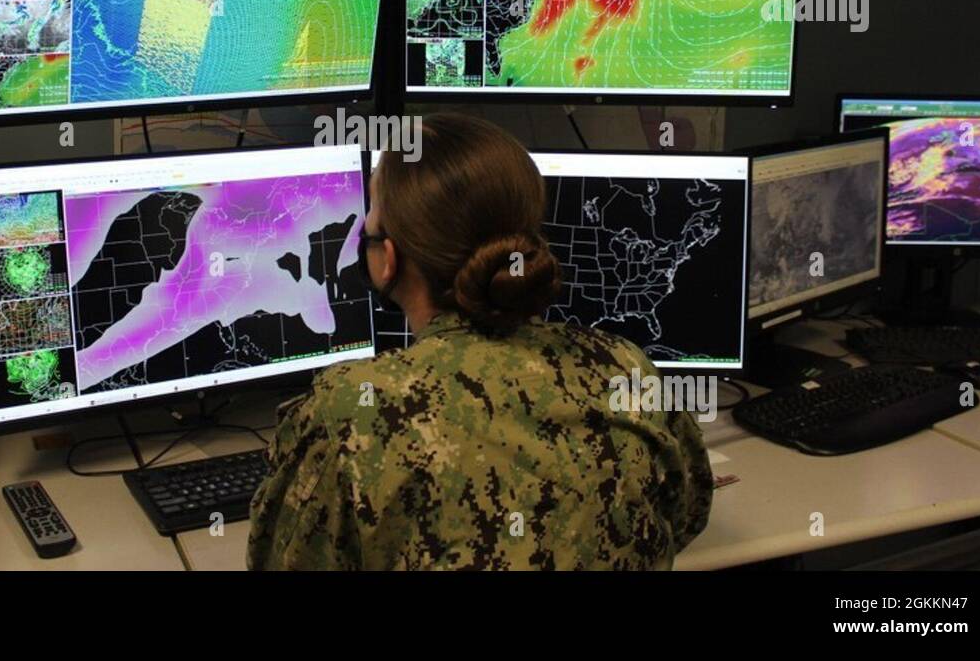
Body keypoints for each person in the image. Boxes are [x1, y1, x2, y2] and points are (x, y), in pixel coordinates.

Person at [247, 113, 713, 570]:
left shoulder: (351, 413)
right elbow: (687, 515)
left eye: (371, 221)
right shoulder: (625, 368)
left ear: (386, 259)